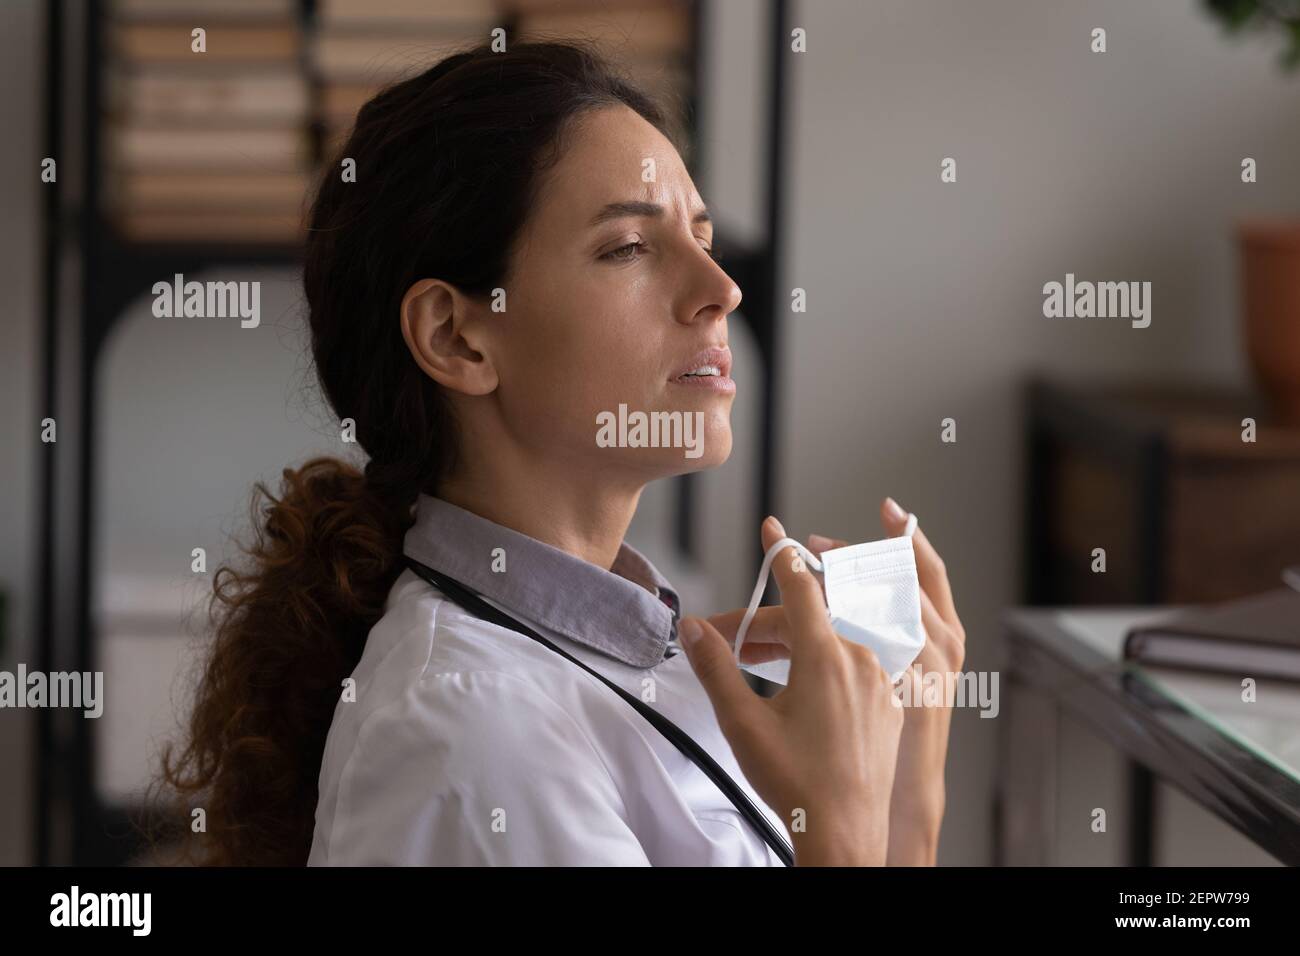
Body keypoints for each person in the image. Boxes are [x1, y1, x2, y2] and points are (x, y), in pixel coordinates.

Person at [156, 40, 965, 867]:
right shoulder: (471, 736)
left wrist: (909, 793)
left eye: (701, 234)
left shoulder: (631, 667)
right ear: (456, 336)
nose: (721, 288)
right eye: (628, 248)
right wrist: (842, 831)